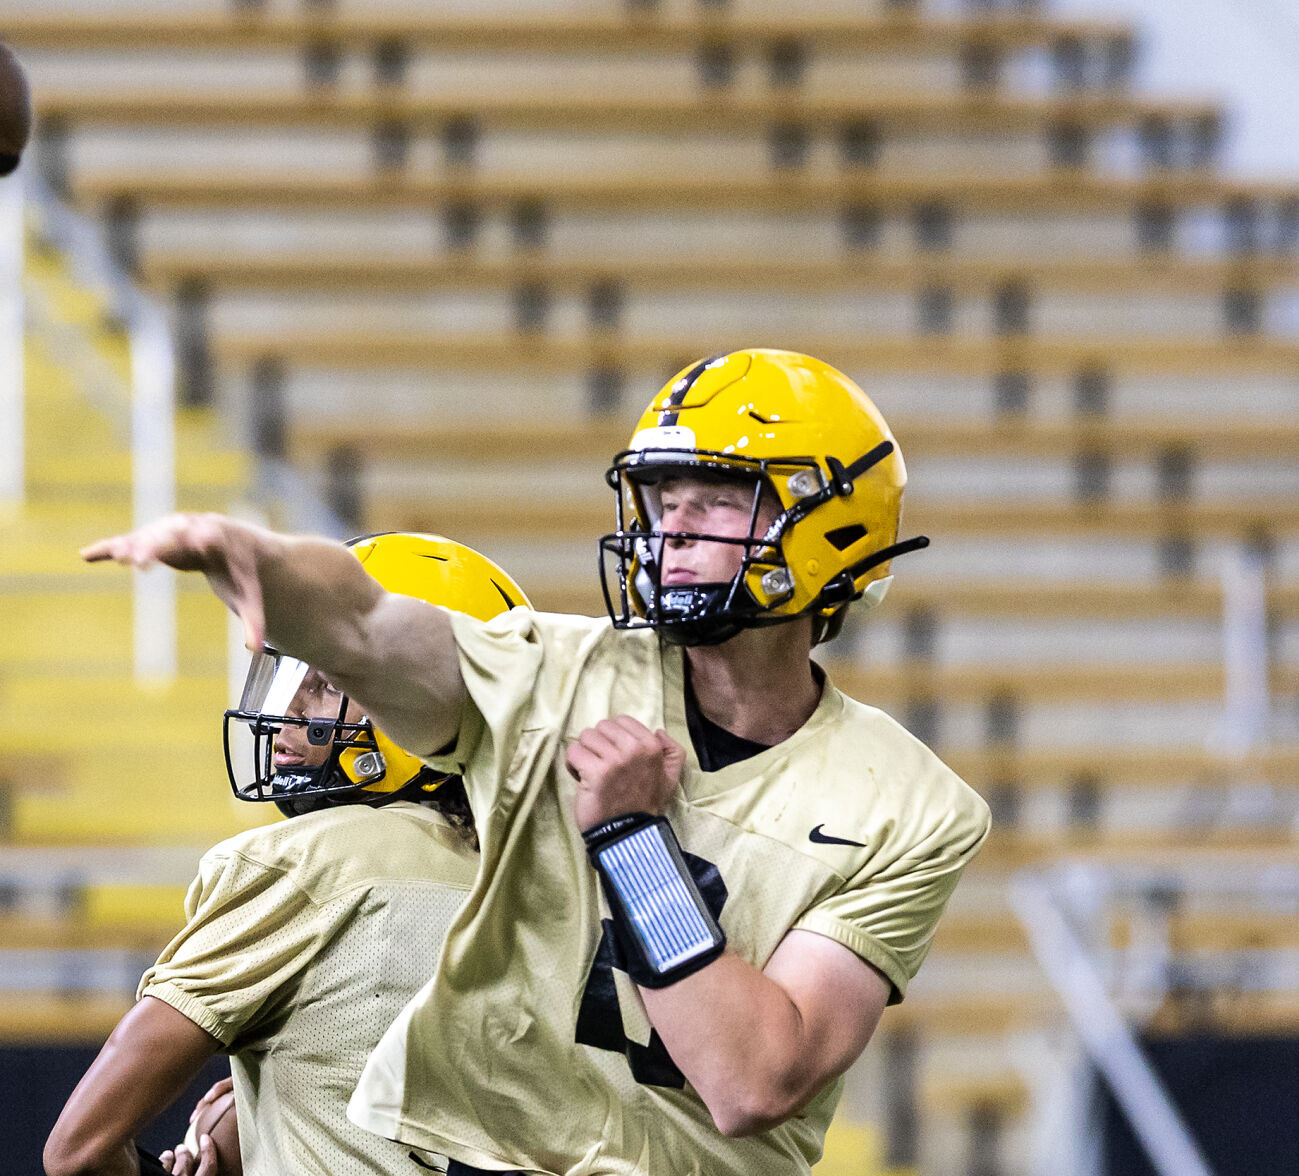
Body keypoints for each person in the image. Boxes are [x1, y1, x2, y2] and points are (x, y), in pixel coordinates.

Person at [81, 349, 991, 1175]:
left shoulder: (911, 807)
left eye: (714, 497)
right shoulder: (552, 669)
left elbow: (753, 1081)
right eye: (662, 500)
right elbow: (365, 624)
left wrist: (632, 838)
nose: (672, 528)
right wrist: (262, 562)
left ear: (832, 522)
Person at [45, 532, 531, 1176]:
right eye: (290, 676)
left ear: (427, 698)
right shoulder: (540, 879)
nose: (288, 713)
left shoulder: (302, 864)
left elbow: (77, 1153)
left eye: (324, 683)